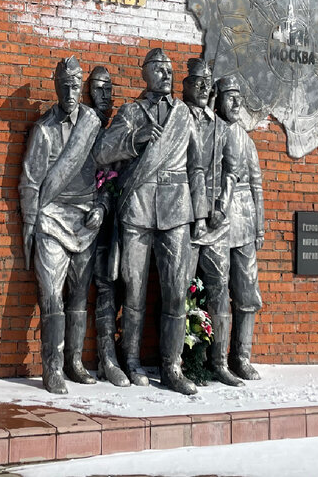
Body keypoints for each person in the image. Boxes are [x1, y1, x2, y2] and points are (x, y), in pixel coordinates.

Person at [95, 48, 205, 395]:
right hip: (138, 208)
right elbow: (101, 153)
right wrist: (134, 139)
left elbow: (197, 166)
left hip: (176, 209)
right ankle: (130, 360)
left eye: (170, 70)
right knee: (134, 291)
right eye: (159, 69)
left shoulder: (184, 115)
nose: (167, 74)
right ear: (144, 73)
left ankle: (173, 367)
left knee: (175, 292)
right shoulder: (130, 112)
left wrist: (199, 216)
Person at [20, 56, 105, 393]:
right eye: (64, 85)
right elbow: (29, 181)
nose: (71, 91)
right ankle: (52, 368)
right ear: (55, 86)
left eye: (75, 85)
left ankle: (75, 362)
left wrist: (102, 206)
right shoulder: (43, 130)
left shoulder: (92, 124)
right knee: (52, 297)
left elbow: (107, 173)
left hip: (85, 220)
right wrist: (31, 221)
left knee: (80, 297)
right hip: (51, 220)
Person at [183, 59, 242, 386]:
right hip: (187, 221)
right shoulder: (179, 119)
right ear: (186, 85)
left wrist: (223, 204)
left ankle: (218, 362)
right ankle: (182, 362)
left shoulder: (221, 127)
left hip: (217, 223)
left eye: (208, 83)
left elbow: (231, 169)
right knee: (179, 292)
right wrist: (198, 213)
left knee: (220, 292)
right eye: (198, 82)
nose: (204, 88)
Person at [208, 75, 265, 382]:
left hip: (243, 221)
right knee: (215, 291)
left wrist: (259, 227)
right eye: (229, 96)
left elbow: (256, 184)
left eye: (238, 97)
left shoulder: (245, 138)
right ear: (217, 98)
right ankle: (214, 358)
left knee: (246, 292)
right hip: (214, 223)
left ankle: (241, 356)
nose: (235, 102)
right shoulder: (210, 130)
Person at [85, 65, 128, 386]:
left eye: (109, 91)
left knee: (113, 288)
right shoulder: (83, 128)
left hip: (112, 222)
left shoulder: (116, 131)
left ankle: (112, 356)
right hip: (79, 220)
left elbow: (117, 176)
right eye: (99, 90)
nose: (105, 97)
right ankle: (96, 358)